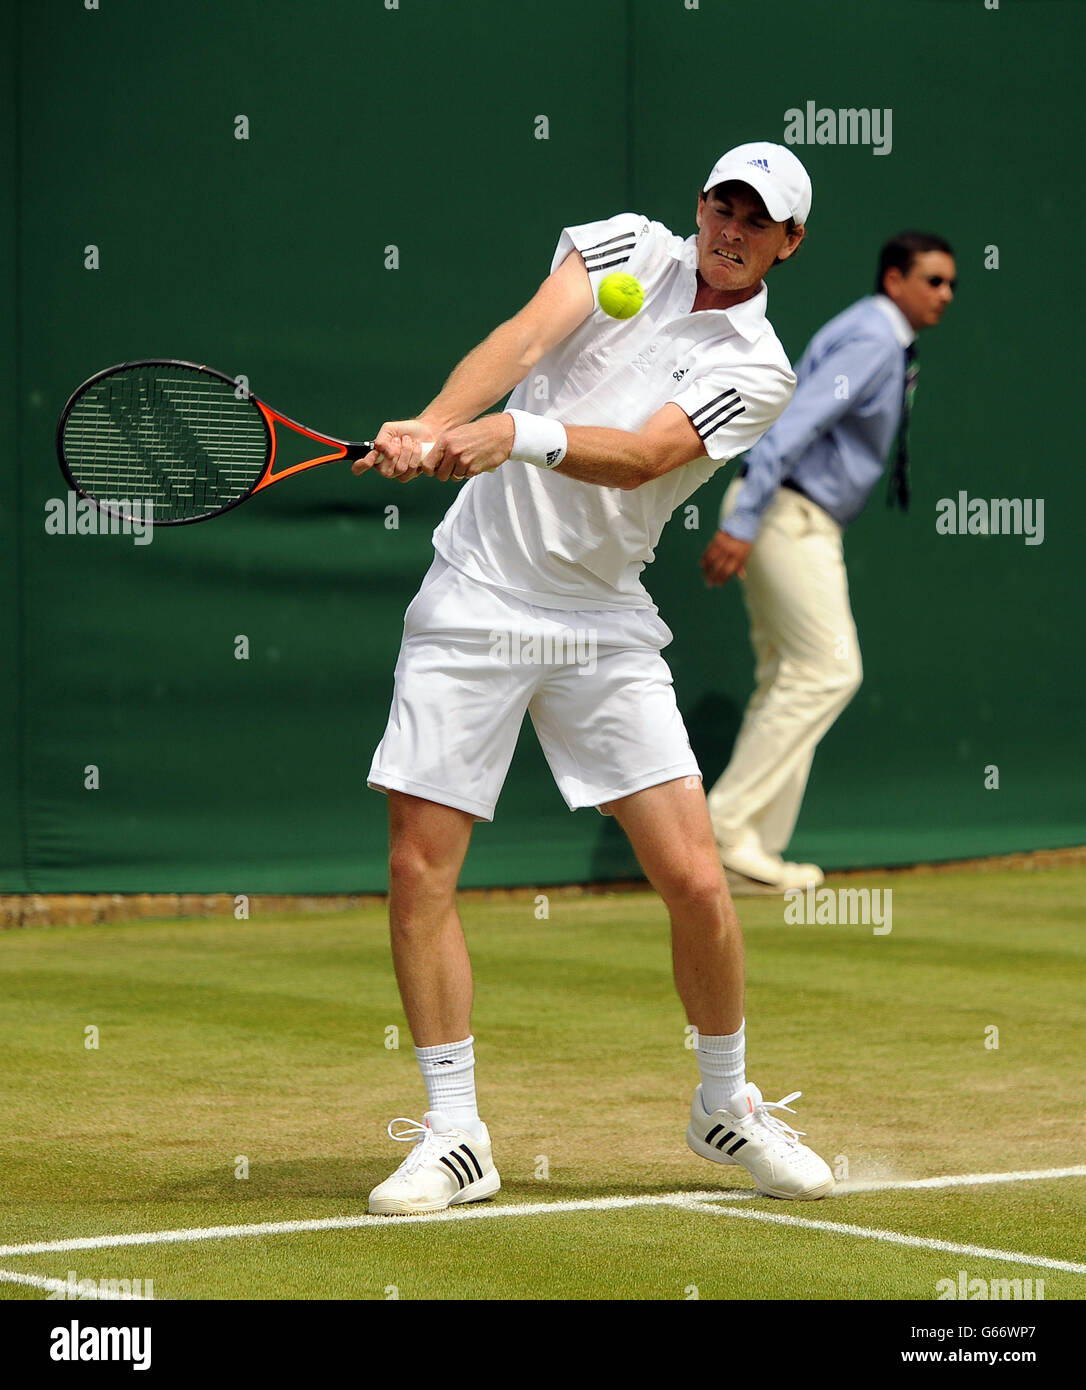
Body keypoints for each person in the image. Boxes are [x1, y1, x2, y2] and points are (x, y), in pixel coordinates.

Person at [355, 142, 835, 1213]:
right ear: (700, 202)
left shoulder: (762, 367)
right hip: (473, 594)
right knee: (421, 867)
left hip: (600, 622)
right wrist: (435, 426)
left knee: (699, 880)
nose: (731, 226)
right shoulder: (624, 243)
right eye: (723, 202)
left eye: (758, 219)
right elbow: (523, 337)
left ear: (789, 244)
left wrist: (512, 433)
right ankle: (455, 1133)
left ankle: (724, 1106)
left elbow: (650, 453)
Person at [700, 233, 956, 891]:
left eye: (951, 284)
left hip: (793, 513)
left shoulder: (877, 335)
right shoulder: (874, 339)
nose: (945, 295)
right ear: (894, 280)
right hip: (786, 512)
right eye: (933, 281)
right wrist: (747, 517)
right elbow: (792, 426)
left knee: (789, 675)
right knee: (829, 671)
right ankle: (724, 826)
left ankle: (749, 849)